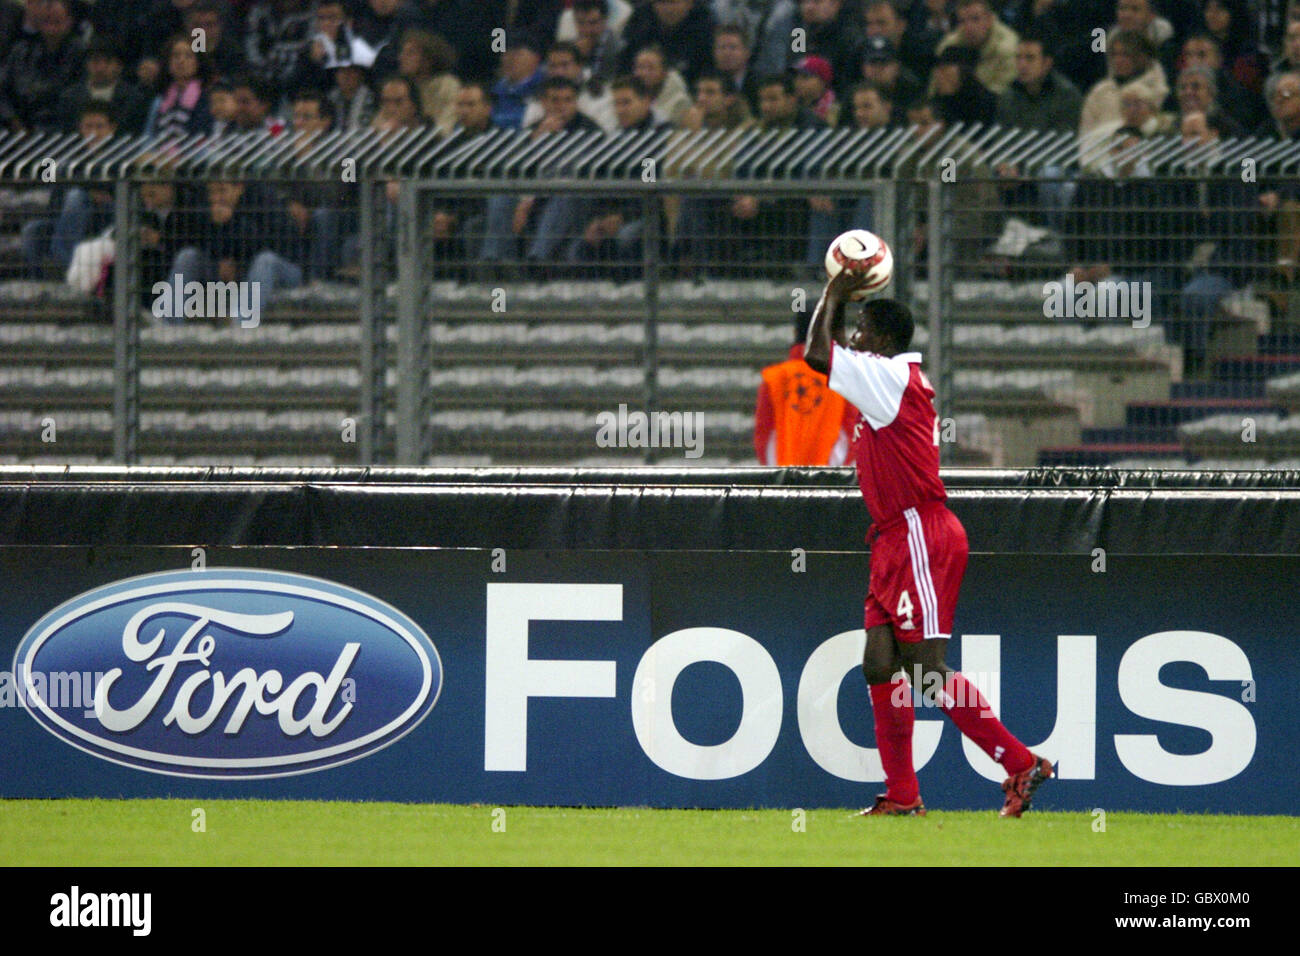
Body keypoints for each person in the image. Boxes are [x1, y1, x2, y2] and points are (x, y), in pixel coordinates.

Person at [801, 270, 1054, 817]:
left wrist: (835, 293)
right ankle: (903, 796)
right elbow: (831, 353)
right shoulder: (887, 377)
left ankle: (1019, 763)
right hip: (894, 537)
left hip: (920, 531)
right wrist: (846, 304)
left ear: (885, 341)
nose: (854, 340)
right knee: (878, 664)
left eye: (862, 331)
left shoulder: (888, 376)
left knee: (925, 671)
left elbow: (816, 355)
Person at [754, 309, 856, 465]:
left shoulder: (773, 378)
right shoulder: (843, 378)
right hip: (829, 481)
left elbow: (763, 437)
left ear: (795, 331)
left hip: (782, 480)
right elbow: (852, 434)